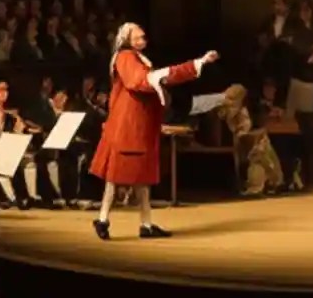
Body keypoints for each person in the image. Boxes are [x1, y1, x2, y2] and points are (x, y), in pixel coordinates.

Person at [90, 22, 218, 239]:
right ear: (127, 39)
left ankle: (143, 224)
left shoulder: (138, 59)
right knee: (116, 176)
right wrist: (158, 78)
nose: (142, 41)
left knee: (140, 180)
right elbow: (138, 81)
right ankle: (104, 219)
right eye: (138, 37)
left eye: (143, 37)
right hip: (128, 127)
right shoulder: (125, 57)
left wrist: (199, 62)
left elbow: (161, 76)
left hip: (136, 126)